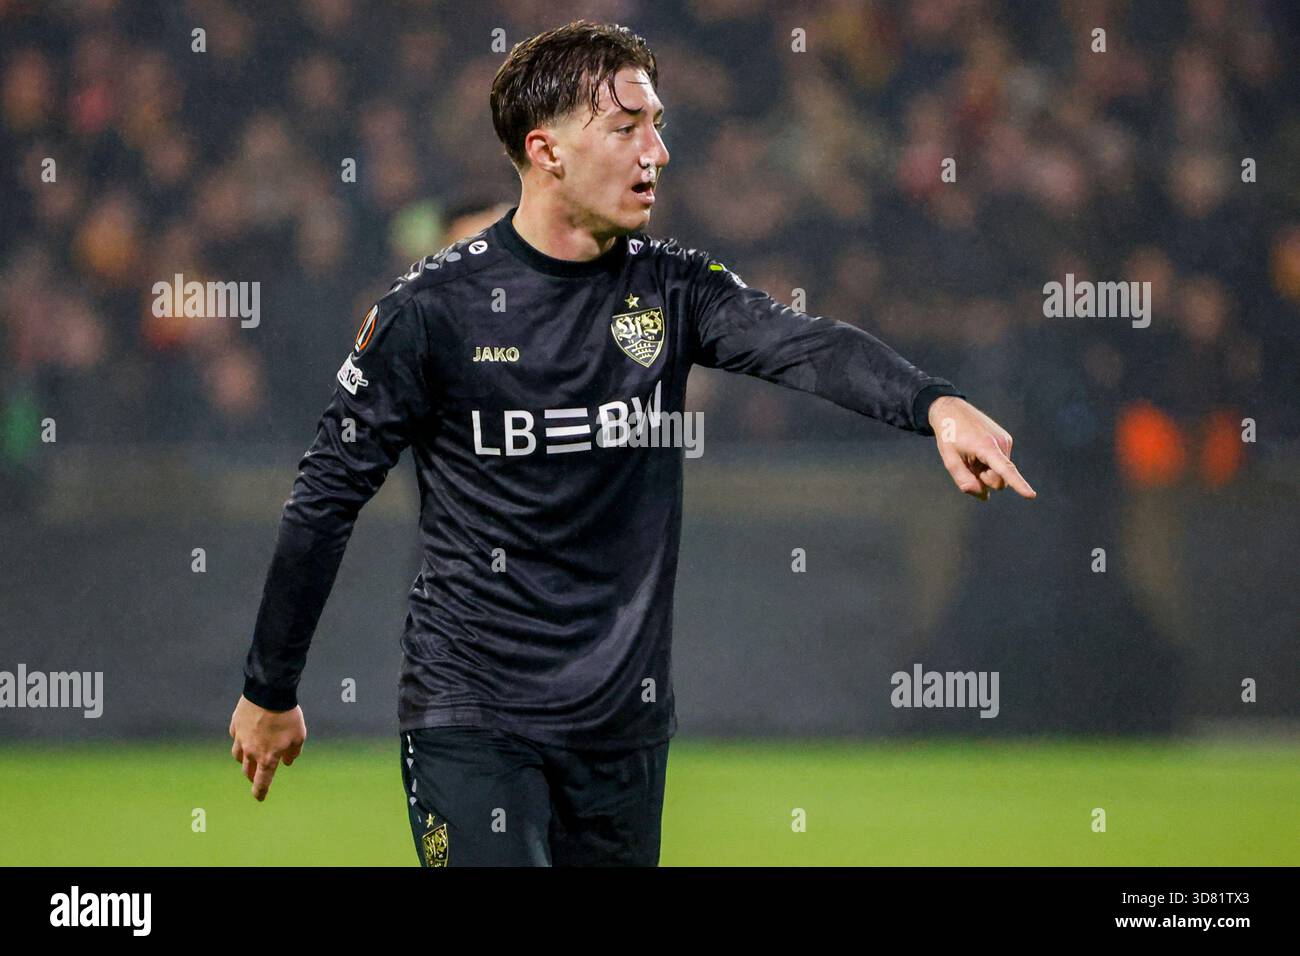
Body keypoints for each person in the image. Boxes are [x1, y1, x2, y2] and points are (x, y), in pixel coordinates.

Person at [229, 19, 1036, 867]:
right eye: (626, 129)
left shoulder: (672, 287)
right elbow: (324, 498)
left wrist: (933, 403)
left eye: (656, 124)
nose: (656, 150)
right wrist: (269, 687)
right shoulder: (431, 313)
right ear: (547, 151)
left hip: (622, 727)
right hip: (472, 717)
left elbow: (805, 344)